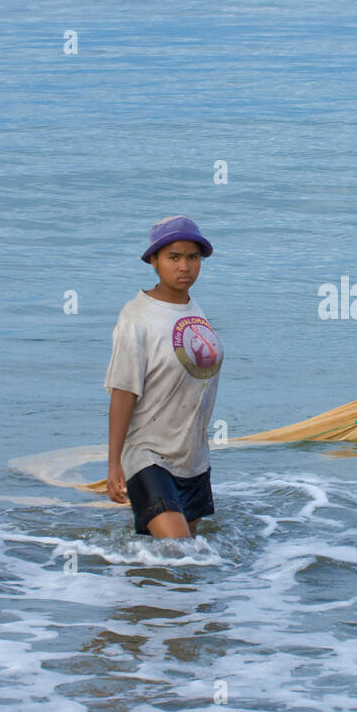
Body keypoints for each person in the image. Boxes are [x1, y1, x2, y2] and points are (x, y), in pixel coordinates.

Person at [104, 216, 224, 537]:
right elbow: (123, 392)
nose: (185, 266)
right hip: (148, 458)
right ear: (154, 261)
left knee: (179, 573)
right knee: (181, 554)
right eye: (174, 257)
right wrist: (114, 463)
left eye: (192, 257)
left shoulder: (193, 308)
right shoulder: (137, 318)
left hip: (193, 460)